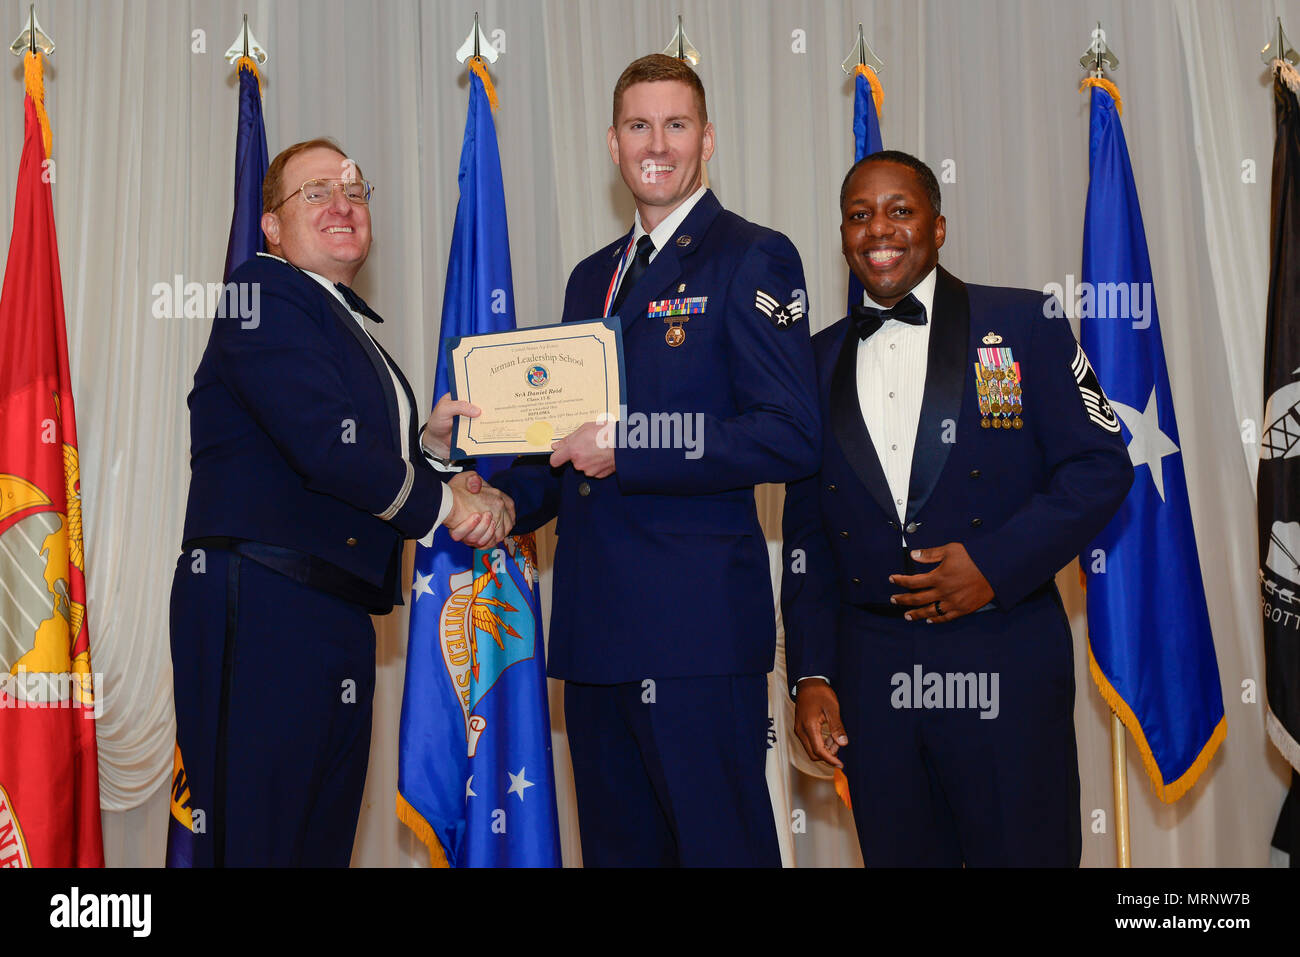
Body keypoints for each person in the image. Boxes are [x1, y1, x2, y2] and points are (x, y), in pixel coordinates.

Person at [489, 55, 820, 867]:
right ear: (612, 142)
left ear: (707, 139)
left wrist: (631, 444)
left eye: (677, 125)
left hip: (695, 634)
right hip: (597, 636)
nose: (658, 144)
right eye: (640, 125)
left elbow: (787, 433)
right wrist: (490, 494)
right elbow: (566, 450)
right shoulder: (588, 279)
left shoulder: (754, 257)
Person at [781, 151, 1133, 866]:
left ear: (938, 227)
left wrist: (995, 565)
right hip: (871, 676)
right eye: (859, 214)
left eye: (899, 210)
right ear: (842, 234)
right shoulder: (810, 362)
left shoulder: (1023, 320)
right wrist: (811, 675)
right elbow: (808, 534)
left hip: (1003, 652)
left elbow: (1101, 466)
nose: (879, 228)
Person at [170, 138, 512, 866]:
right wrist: (450, 507)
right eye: (317, 192)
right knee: (258, 844)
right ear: (271, 224)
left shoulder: (339, 320)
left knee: (316, 845)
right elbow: (326, 447)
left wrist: (435, 451)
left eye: (355, 191)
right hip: (265, 605)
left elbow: (357, 463)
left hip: (331, 613)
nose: (342, 205)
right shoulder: (260, 295)